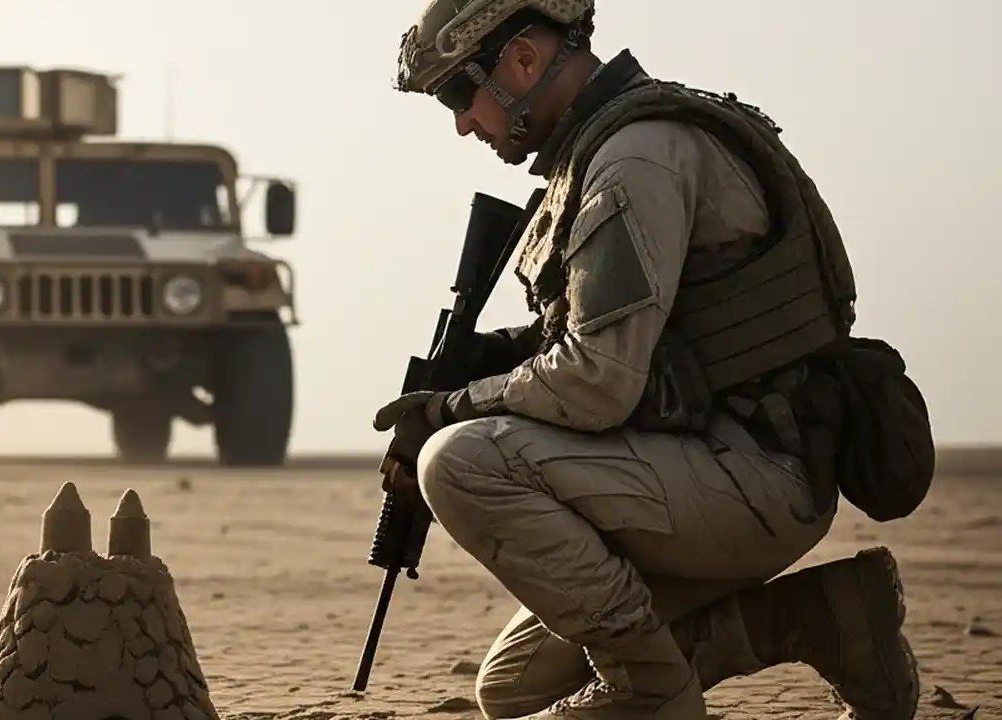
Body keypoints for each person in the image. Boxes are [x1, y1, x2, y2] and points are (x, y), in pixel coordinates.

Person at [370, 1, 920, 718]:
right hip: (706, 462)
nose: (463, 123)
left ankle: (650, 693)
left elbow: (598, 382)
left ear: (523, 62)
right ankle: (830, 616)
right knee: (511, 686)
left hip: (750, 474)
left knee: (460, 461)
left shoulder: (635, 158)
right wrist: (481, 364)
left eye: (458, 94)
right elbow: (621, 339)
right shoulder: (615, 147)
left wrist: (449, 409)